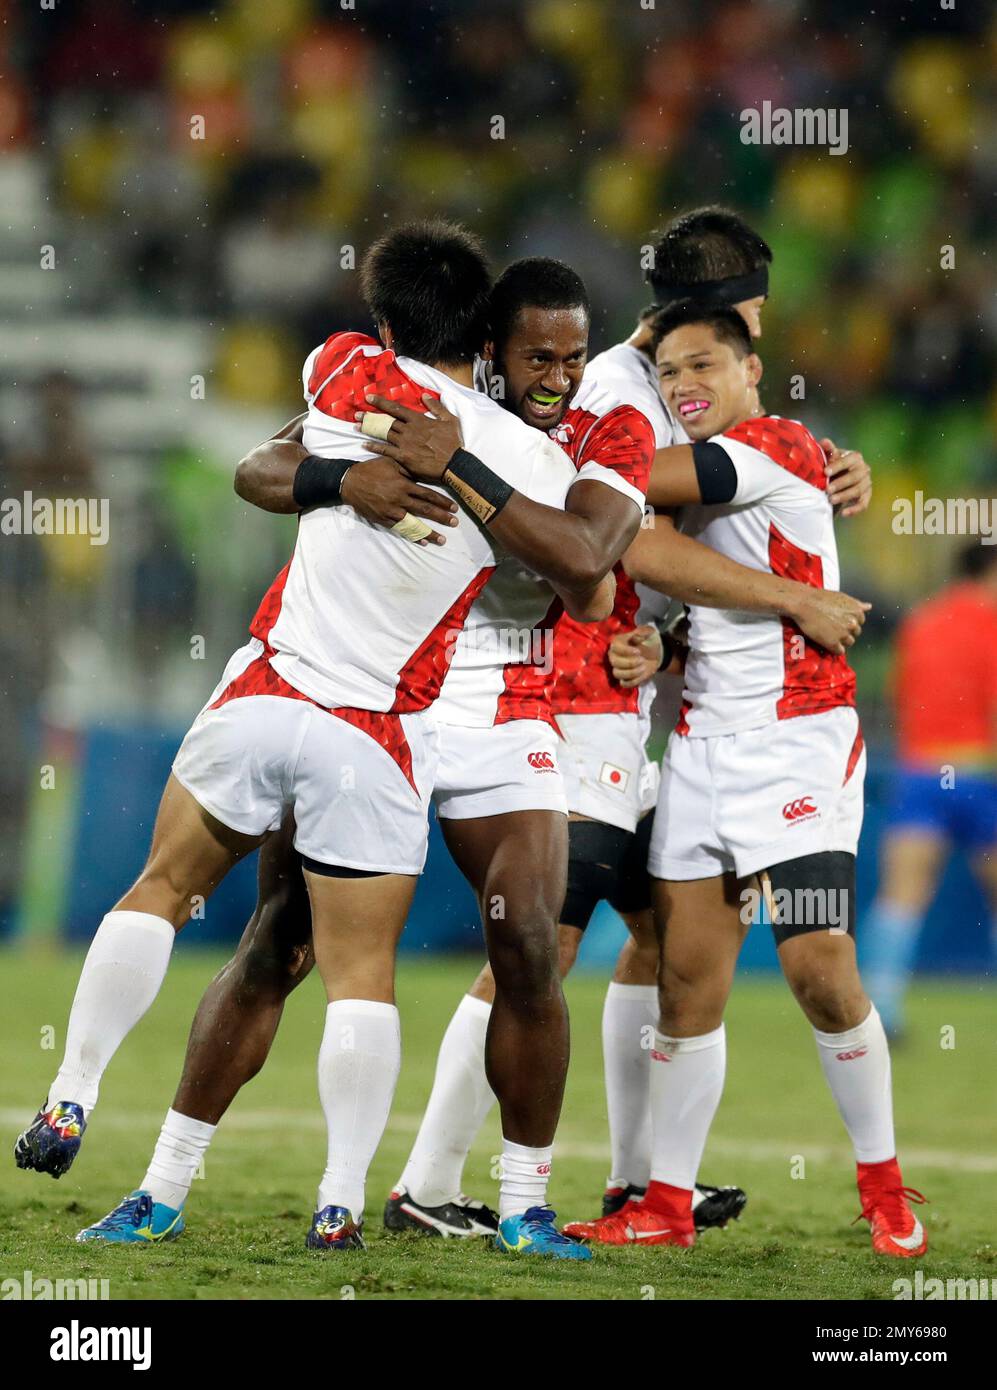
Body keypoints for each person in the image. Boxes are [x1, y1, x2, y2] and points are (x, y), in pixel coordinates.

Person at [15, 222, 628, 1261]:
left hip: (292, 689)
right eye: (539, 356)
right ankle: (325, 1198)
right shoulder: (524, 452)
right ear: (488, 339)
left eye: (574, 357)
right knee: (334, 966)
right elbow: (575, 560)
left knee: (165, 891)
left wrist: (384, 467)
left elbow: (586, 566)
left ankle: (76, 1091)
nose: (559, 376)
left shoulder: (346, 367)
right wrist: (367, 481)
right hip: (381, 724)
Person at [563, 303, 926, 1259]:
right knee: (686, 986)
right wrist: (669, 642)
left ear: (752, 368)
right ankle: (665, 1207)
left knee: (818, 969)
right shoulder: (718, 482)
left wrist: (579, 432)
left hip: (793, 747)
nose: (685, 385)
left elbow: (621, 525)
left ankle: (883, 1185)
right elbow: (704, 582)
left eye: (704, 366)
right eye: (670, 370)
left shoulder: (766, 444)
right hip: (698, 752)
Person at [863, 541, 997, 1037]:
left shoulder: (921, 620)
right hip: (981, 774)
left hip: (920, 772)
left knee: (901, 898)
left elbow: (903, 695)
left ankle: (881, 1010)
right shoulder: (991, 622)